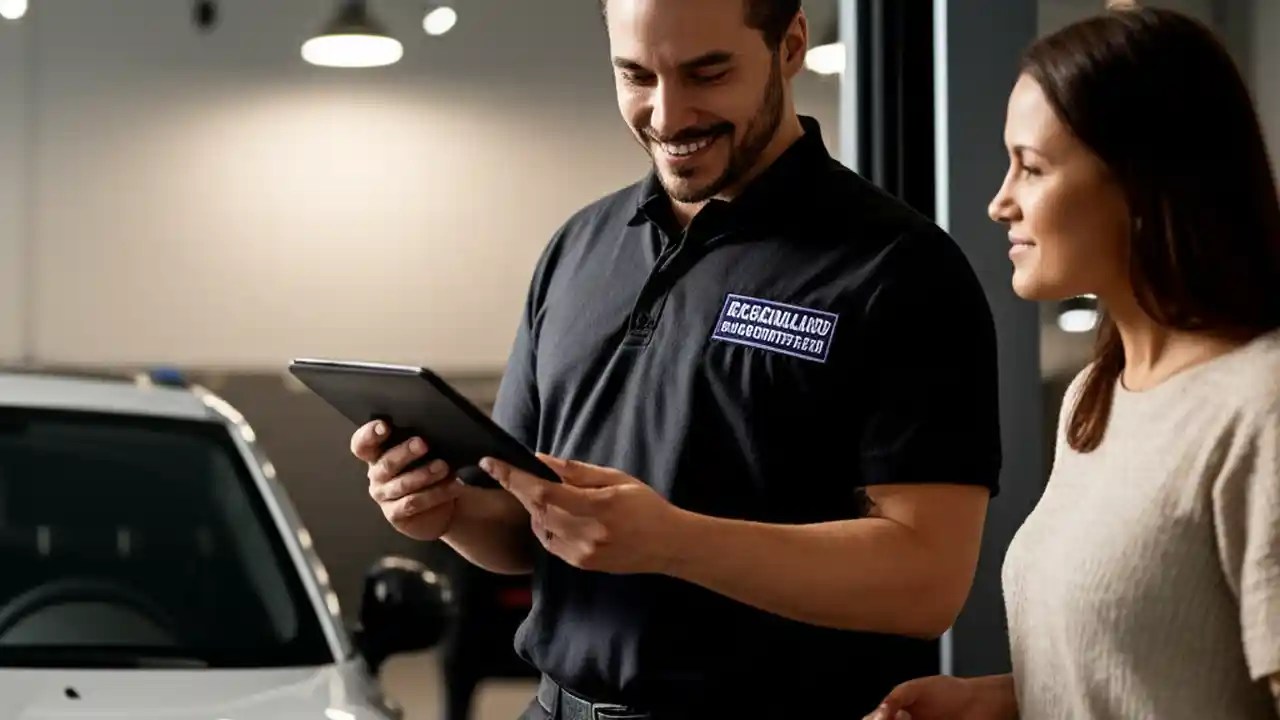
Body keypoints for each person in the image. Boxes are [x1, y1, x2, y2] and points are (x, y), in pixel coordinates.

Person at [353, 0, 1003, 716]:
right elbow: (524, 528)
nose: (668, 115)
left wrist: (672, 541)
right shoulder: (579, 248)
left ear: (789, 45)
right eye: (636, 75)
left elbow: (925, 583)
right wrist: (442, 512)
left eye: (708, 73)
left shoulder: (901, 269)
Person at [866, 6, 1280, 720]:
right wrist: (995, 702)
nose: (1000, 203)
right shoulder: (1096, 396)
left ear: (1142, 181)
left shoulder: (1260, 407)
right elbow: (1151, 673)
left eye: (1031, 167)